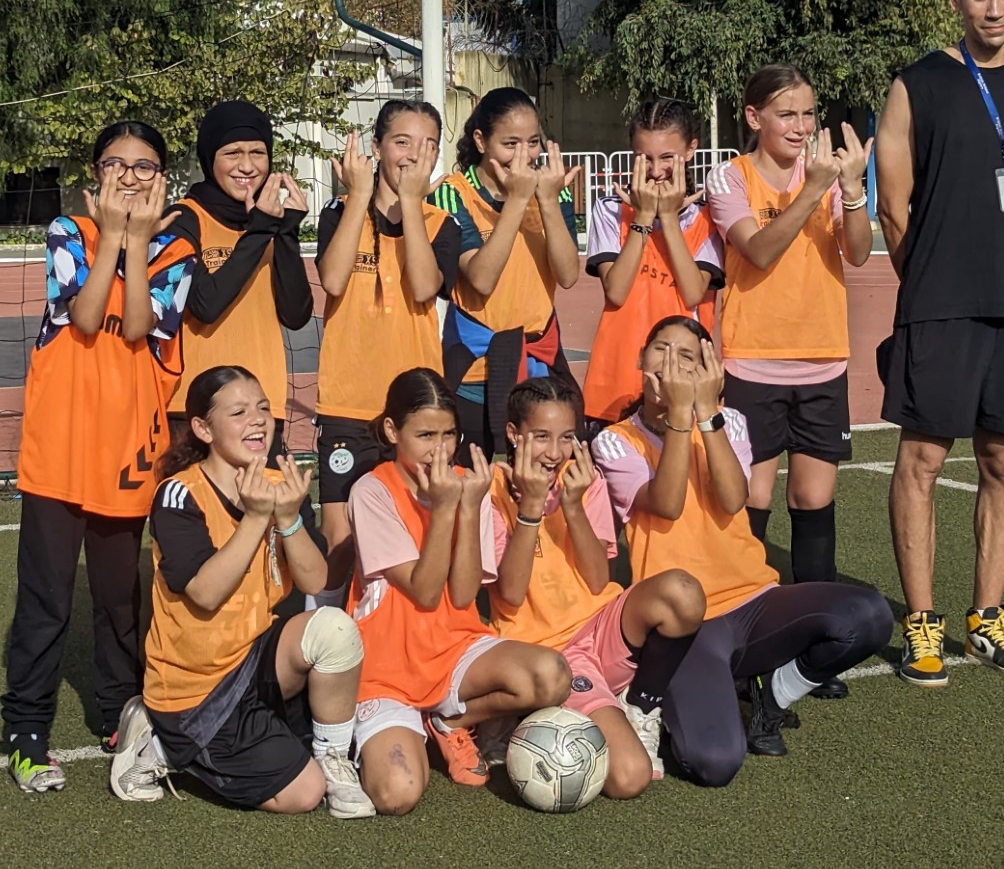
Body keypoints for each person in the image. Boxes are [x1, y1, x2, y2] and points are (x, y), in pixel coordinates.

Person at [874, 0, 1004, 687]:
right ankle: (922, 624)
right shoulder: (915, 84)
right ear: (955, 0)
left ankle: (987, 619)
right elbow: (893, 208)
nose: (993, 7)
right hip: (940, 306)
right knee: (922, 461)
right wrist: (931, 283)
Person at [591, 317, 892, 786]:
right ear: (640, 358)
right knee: (715, 764)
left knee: (869, 615)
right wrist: (677, 418)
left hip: (755, 602)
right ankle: (669, 695)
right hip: (689, 624)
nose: (670, 363)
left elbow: (734, 499)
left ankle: (772, 693)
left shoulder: (728, 421)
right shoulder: (614, 440)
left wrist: (706, 413)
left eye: (687, 356)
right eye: (660, 350)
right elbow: (667, 505)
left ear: (709, 369)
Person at [1, 121, 194, 793]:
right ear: (95, 173)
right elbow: (84, 318)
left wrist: (138, 243)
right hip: (59, 450)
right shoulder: (67, 233)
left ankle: (118, 714)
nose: (132, 176)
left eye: (145, 166)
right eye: (118, 164)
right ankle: (27, 729)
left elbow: (139, 324)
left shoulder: (175, 254)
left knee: (118, 601)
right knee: (46, 599)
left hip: (127, 454)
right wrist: (112, 235)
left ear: (163, 177)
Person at [109, 366, 374, 818]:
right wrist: (256, 518)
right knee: (302, 795)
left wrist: (288, 517)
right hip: (196, 689)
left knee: (334, 628)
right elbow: (206, 593)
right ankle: (162, 744)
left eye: (264, 408)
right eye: (238, 412)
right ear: (202, 429)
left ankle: (333, 756)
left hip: (252, 660)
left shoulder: (277, 482)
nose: (257, 420)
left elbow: (315, 582)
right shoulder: (179, 494)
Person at [704, 65, 873, 700]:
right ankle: (750, 639)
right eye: (786, 114)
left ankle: (812, 648)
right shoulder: (730, 177)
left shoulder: (828, 173)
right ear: (754, 118)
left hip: (824, 360)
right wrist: (815, 189)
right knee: (752, 504)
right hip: (752, 362)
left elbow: (856, 252)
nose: (801, 128)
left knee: (814, 504)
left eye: (808, 114)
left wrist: (850, 190)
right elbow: (759, 250)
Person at [347, 368, 571, 815]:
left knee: (552, 675)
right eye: (425, 435)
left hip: (454, 649)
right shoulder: (371, 491)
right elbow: (426, 592)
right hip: (385, 670)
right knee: (398, 793)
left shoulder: (470, 483)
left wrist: (469, 506)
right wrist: (449, 505)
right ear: (392, 431)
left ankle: (450, 720)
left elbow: (464, 594)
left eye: (449, 434)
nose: (440, 449)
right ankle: (393, 730)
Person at [490, 376, 706, 798]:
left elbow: (597, 580)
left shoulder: (580, 481)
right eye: (541, 437)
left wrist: (572, 505)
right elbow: (511, 593)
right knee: (629, 778)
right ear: (514, 434)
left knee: (682, 590)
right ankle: (527, 712)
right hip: (547, 651)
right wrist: (532, 511)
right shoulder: (492, 490)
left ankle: (640, 703)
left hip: (601, 628)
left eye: (567, 437)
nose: (555, 452)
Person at [313, 101, 459, 609]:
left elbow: (424, 286)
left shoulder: (441, 223)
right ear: (376, 147)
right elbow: (331, 280)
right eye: (402, 142)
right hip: (348, 404)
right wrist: (357, 198)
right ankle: (326, 649)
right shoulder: (339, 213)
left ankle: (400, 647)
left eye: (428, 145)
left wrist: (414, 206)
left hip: (417, 410)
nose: (414, 155)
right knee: (340, 538)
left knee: (412, 531)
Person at [431, 87, 581, 461]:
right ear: (481, 140)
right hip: (475, 371)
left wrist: (545, 199)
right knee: (477, 483)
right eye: (510, 143)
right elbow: (480, 279)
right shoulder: (453, 193)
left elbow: (568, 274)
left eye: (533, 143)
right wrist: (516, 200)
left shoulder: (551, 192)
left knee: (535, 479)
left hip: (537, 364)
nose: (523, 156)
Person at [167, 100, 313, 457]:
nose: (246, 166)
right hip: (196, 412)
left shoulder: (267, 223)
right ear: (209, 158)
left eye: (257, 153)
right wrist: (261, 230)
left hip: (262, 408)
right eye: (232, 153)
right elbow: (205, 304)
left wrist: (286, 234)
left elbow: (296, 314)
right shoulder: (183, 219)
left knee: (265, 510)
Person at [583, 99, 724, 431]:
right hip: (614, 385)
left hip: (681, 385)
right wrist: (645, 216)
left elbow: (692, 292)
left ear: (690, 150)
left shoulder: (708, 217)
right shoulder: (610, 210)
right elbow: (616, 291)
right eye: (644, 158)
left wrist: (669, 219)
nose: (656, 170)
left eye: (667, 158)